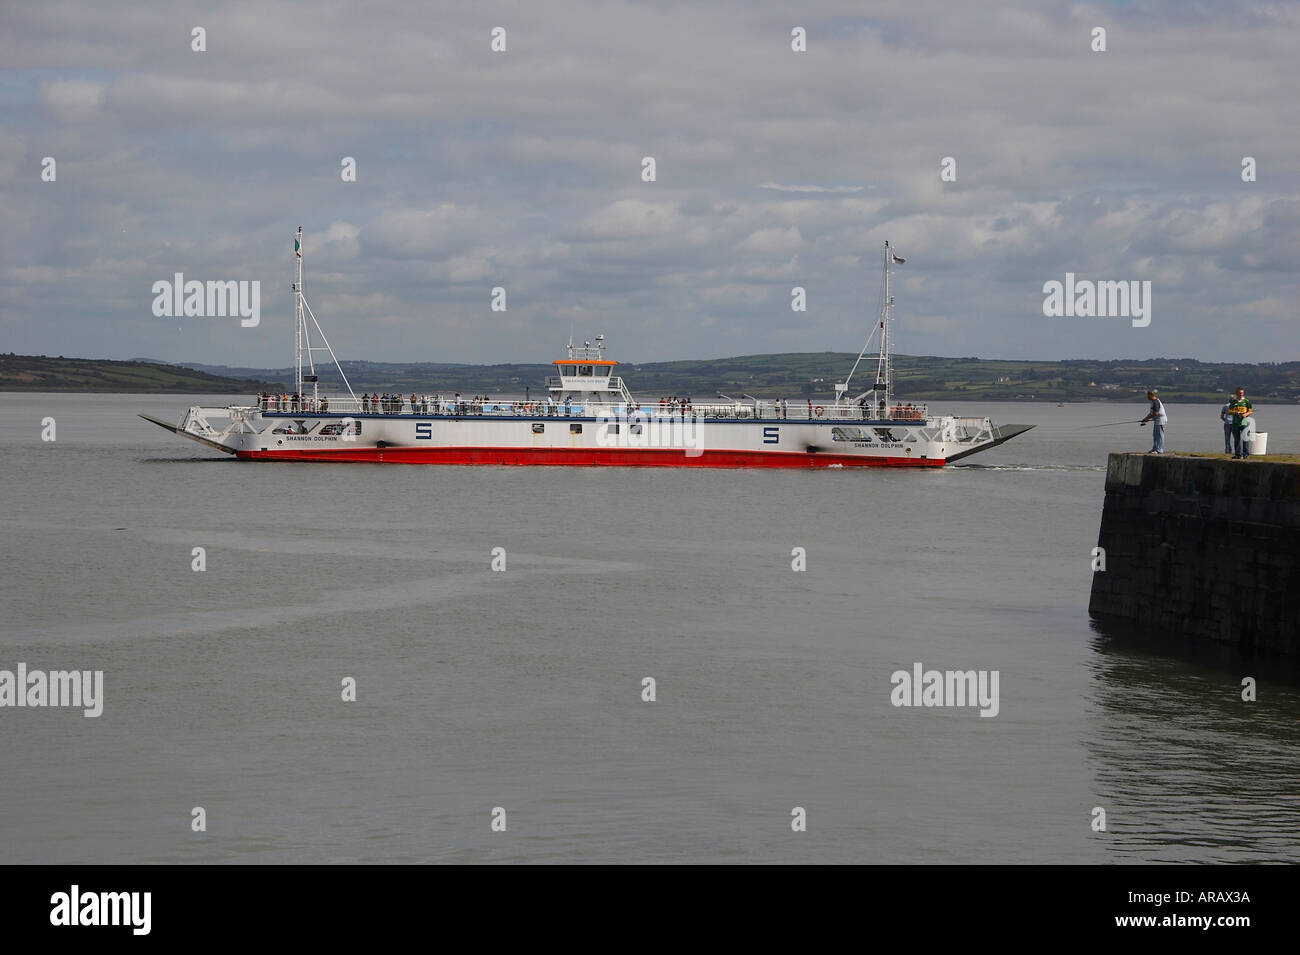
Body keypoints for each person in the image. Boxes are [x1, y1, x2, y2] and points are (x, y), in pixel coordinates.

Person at [1139, 389, 1167, 453]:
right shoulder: (1152, 402)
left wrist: (1147, 419)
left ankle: (1159, 450)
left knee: (1159, 436)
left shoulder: (1156, 402)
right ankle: (1155, 449)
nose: (1147, 397)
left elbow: (1156, 413)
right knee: (1155, 435)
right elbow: (1151, 413)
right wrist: (1145, 419)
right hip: (1157, 420)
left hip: (1160, 420)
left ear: (1151, 395)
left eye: (1148, 396)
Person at [1227, 388, 1253, 459]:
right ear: (1237, 393)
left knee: (1245, 439)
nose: (1241, 394)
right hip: (1235, 423)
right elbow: (1229, 412)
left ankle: (1246, 454)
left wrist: (1246, 414)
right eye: (1239, 393)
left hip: (1244, 422)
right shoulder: (1233, 402)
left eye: (1242, 393)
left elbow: (1250, 411)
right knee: (1237, 439)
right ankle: (1238, 454)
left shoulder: (1246, 401)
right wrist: (1235, 412)